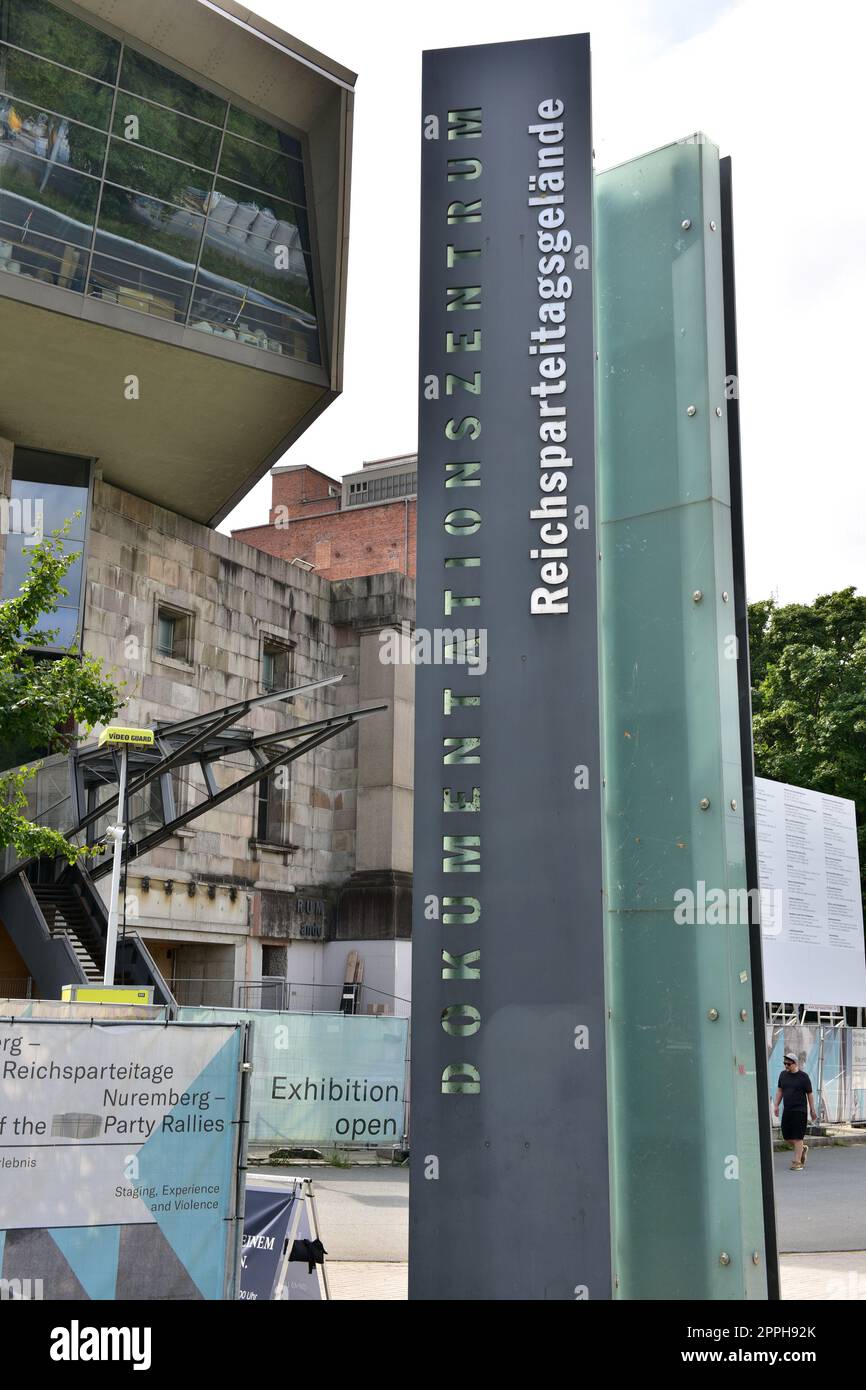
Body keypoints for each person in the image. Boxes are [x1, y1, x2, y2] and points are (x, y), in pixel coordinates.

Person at [774, 1052, 817, 1170]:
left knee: (798, 1137)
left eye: (788, 1064)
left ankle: (797, 1162)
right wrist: (776, 1105)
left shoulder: (803, 1077)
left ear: (795, 1063)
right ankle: (802, 1149)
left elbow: (810, 1094)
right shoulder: (783, 1075)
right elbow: (779, 1091)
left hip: (800, 1110)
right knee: (787, 1136)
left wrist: (813, 1110)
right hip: (787, 1109)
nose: (786, 1066)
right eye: (784, 1064)